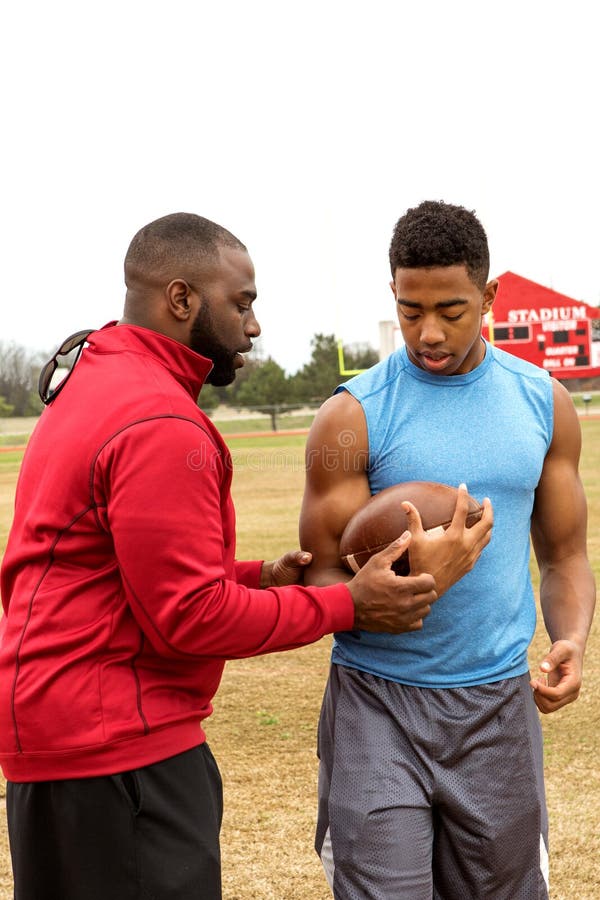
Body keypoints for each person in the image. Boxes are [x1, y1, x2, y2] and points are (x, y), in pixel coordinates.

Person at [0, 212, 492, 900]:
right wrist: (349, 603)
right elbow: (190, 616)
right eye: (243, 303)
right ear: (181, 300)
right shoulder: (160, 421)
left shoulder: (92, 380)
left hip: (55, 744)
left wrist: (257, 577)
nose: (253, 327)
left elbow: (115, 570)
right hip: (118, 753)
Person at [300, 200, 596, 899]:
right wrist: (397, 589)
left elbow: (564, 555)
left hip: (497, 704)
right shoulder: (350, 417)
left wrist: (572, 638)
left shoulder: (543, 403)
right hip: (378, 705)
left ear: (490, 295)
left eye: (452, 311)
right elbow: (317, 580)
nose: (428, 332)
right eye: (410, 310)